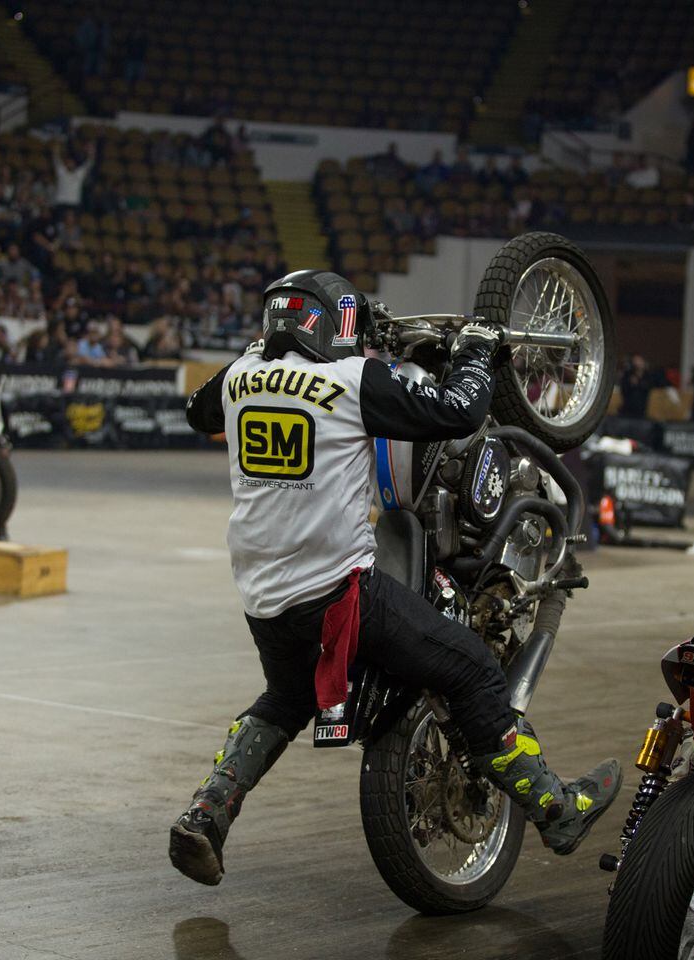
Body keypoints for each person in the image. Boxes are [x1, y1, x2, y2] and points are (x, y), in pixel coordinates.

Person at [170, 270, 622, 886]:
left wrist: (258, 351)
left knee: (287, 698)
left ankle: (206, 814)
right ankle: (556, 810)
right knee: (473, 669)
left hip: (264, 600)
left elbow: (195, 411)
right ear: (328, 321)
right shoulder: (349, 381)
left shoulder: (241, 378)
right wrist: (474, 353)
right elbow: (459, 412)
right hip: (340, 596)